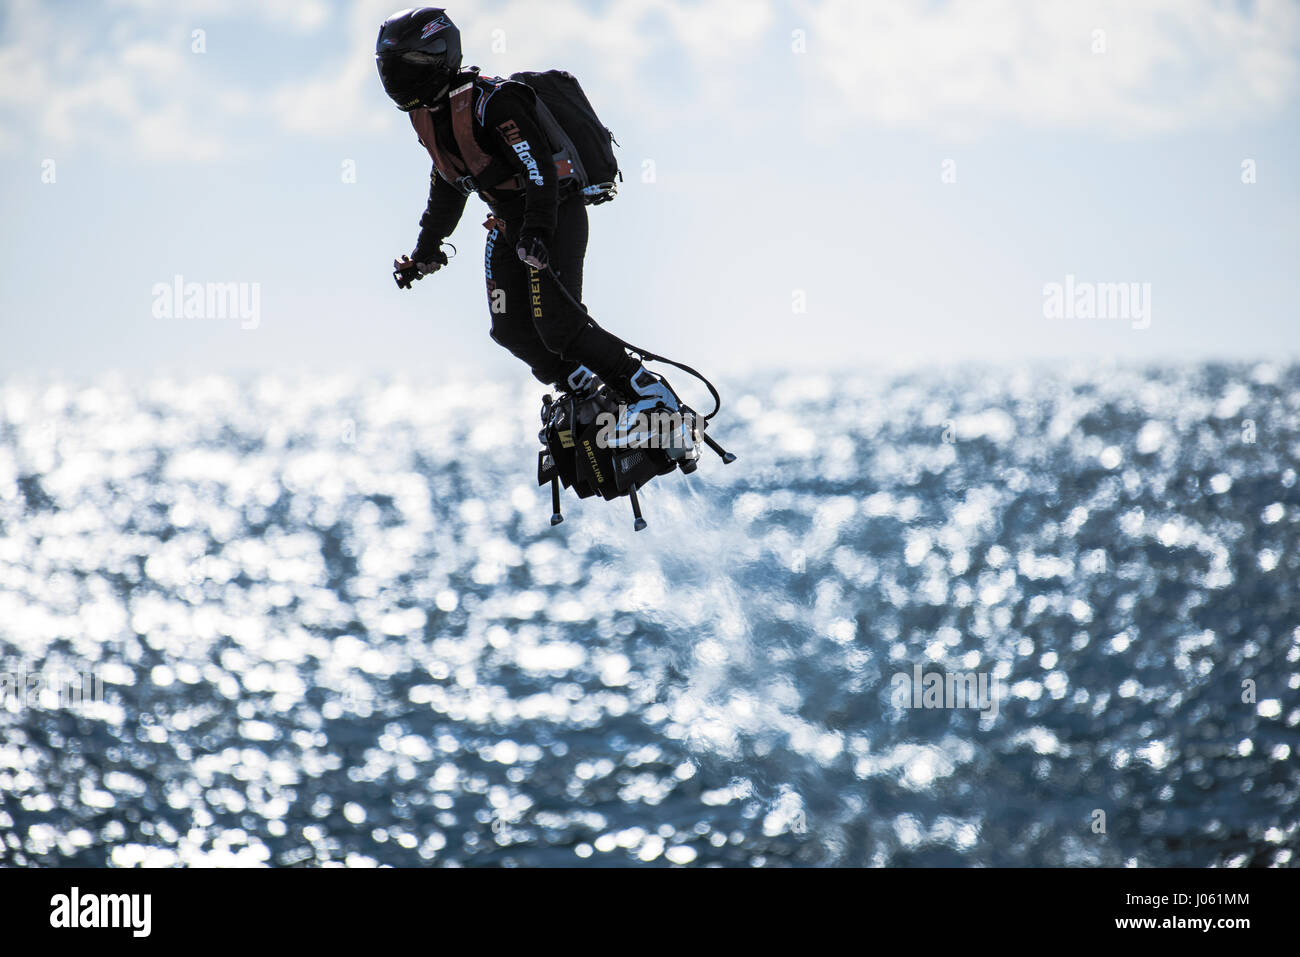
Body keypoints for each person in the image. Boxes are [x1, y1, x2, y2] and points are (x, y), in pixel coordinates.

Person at [377, 6, 680, 434]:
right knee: (510, 330)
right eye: (388, 69)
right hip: (507, 223)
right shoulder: (428, 115)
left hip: (552, 211)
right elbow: (447, 181)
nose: (394, 79)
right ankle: (584, 390)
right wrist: (426, 250)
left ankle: (650, 394)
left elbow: (537, 168)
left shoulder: (495, 102)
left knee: (560, 325)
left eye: (403, 67)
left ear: (438, 57)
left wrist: (537, 232)